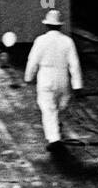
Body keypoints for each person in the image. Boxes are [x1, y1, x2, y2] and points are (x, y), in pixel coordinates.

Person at [25, 11, 83, 152]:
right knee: (61, 105)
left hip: (46, 76)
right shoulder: (68, 41)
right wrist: (77, 85)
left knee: (47, 108)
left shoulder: (40, 41)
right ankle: (57, 129)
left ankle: (54, 138)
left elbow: (33, 61)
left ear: (47, 26)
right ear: (60, 26)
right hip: (62, 76)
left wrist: (28, 77)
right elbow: (74, 64)